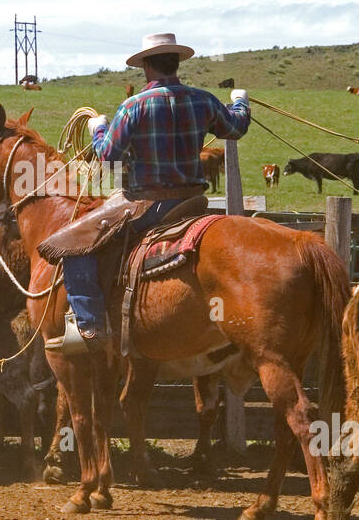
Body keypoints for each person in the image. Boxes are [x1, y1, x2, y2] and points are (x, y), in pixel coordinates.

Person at [45, 32, 249, 353]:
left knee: (74, 243)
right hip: (193, 201)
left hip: (148, 206)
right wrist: (240, 101)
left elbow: (108, 155)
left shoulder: (132, 107)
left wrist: (97, 127)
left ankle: (89, 326)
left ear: (146, 68)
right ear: (176, 63)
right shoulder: (203, 99)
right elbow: (236, 128)